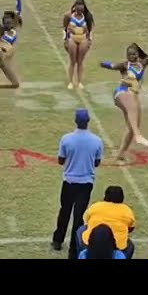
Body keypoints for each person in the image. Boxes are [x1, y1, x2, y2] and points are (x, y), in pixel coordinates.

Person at [102, 42, 148, 162]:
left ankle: (120, 153)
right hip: (122, 92)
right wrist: (102, 63)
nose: (131, 56)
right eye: (129, 54)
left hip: (133, 95)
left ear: (138, 54)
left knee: (132, 126)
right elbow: (112, 66)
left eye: (133, 54)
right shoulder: (124, 65)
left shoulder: (143, 63)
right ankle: (138, 135)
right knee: (132, 117)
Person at [52, 109, 103, 256]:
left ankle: (58, 240)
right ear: (88, 121)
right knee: (78, 216)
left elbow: (61, 160)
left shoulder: (66, 139)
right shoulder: (96, 140)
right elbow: (97, 162)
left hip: (69, 181)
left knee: (64, 211)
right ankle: (75, 247)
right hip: (86, 182)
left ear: (76, 121)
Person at [80, 186, 137, 258]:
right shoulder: (126, 210)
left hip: (91, 242)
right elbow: (131, 228)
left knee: (81, 229)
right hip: (118, 245)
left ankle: (75, 253)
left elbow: (86, 220)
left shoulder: (96, 206)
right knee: (130, 245)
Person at [62, 0, 93, 90]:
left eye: (81, 6)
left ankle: (79, 82)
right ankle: (71, 82)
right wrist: (65, 40)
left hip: (83, 39)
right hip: (72, 38)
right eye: (77, 6)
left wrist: (89, 41)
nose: (79, 8)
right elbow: (64, 28)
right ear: (74, 6)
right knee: (72, 61)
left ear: (84, 7)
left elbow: (90, 30)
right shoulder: (69, 16)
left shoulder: (87, 16)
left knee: (80, 61)